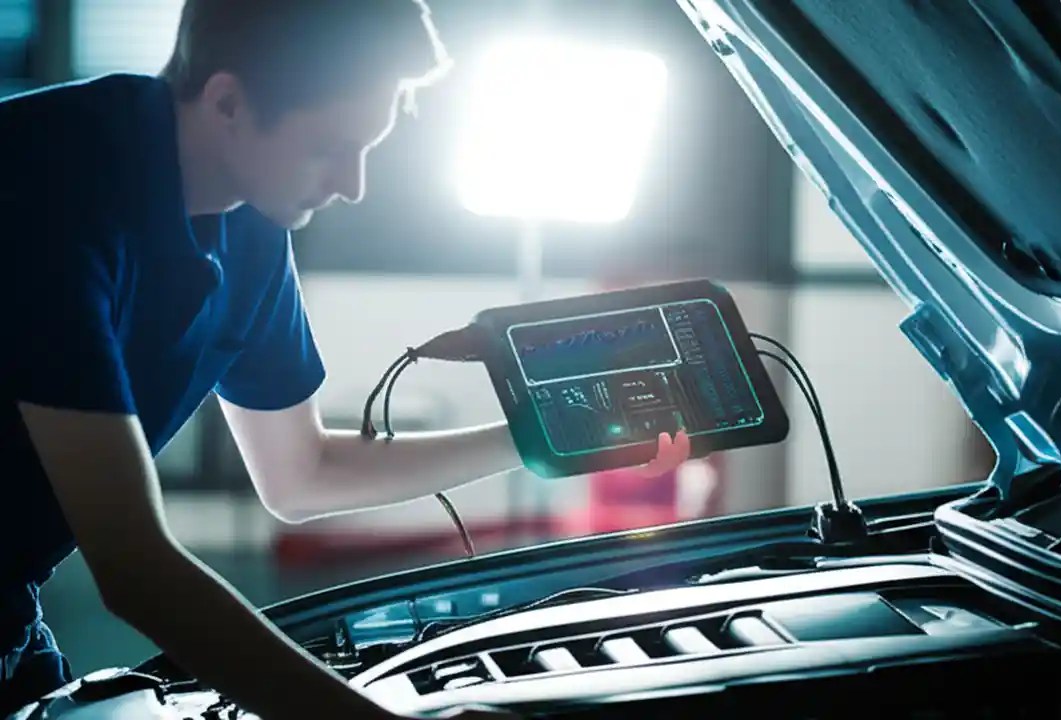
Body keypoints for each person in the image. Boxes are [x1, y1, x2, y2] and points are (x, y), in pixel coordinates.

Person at [0, 0, 690, 717]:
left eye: (370, 148)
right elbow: (135, 568)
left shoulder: (252, 225)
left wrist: (549, 439)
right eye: (330, 147)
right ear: (228, 100)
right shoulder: (48, 190)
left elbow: (301, 474)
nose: (354, 184)